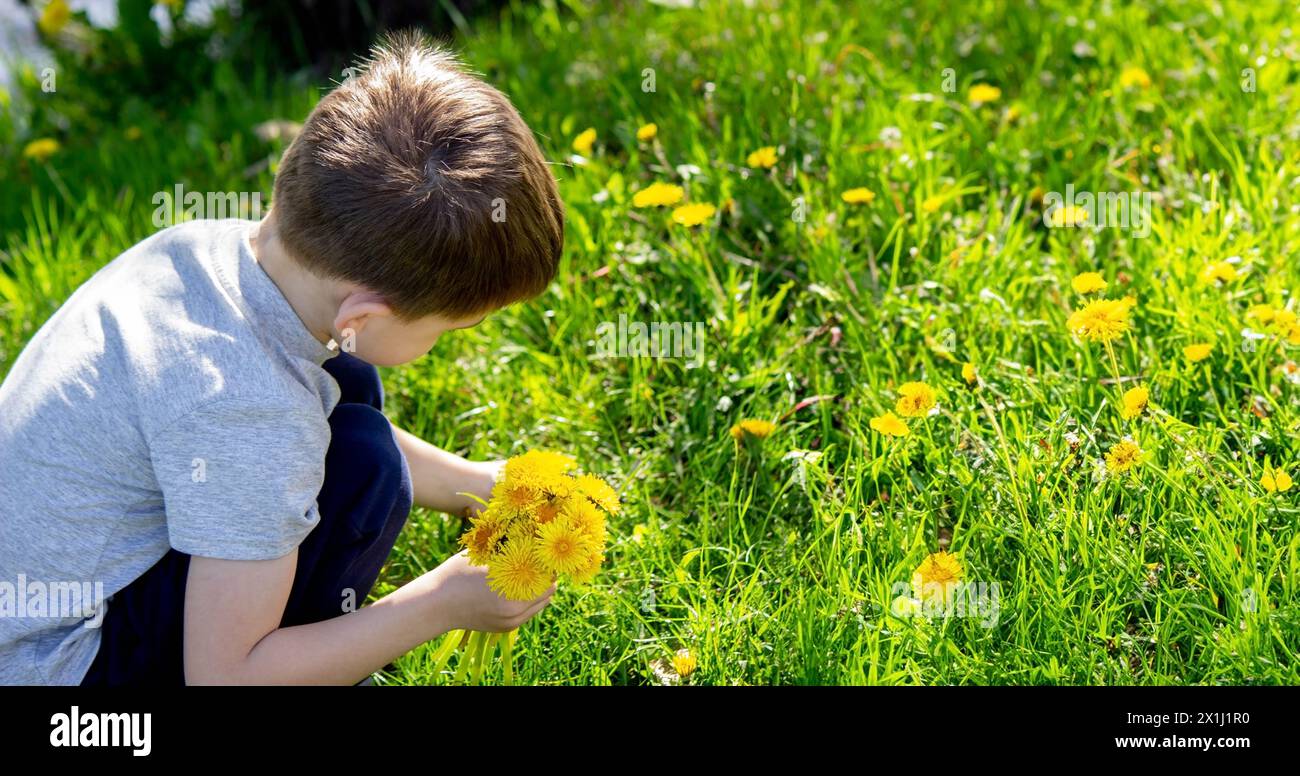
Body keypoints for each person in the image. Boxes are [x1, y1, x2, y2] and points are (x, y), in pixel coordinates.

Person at [0, 31, 564, 685]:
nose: (453, 338)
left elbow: (279, 411)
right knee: (365, 471)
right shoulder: (249, 417)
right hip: (64, 675)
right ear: (364, 316)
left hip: (30, 612)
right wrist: (441, 604)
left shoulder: (206, 253)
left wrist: (480, 485)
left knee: (345, 381)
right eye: (452, 327)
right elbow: (225, 678)